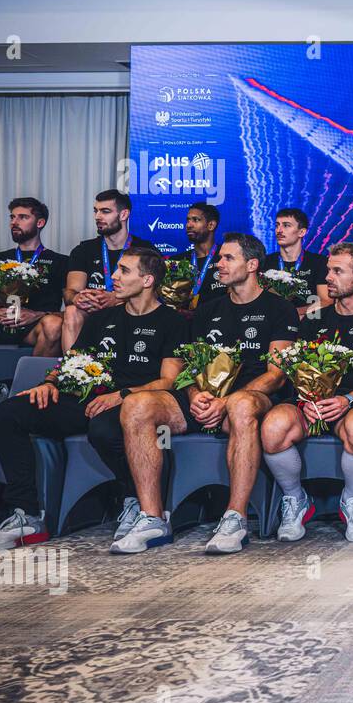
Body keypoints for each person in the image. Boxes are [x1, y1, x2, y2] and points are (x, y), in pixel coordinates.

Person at [0, 247, 187, 550]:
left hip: (133, 403)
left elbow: (168, 381)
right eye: (116, 269)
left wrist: (122, 395)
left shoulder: (173, 321)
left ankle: (135, 500)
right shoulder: (103, 319)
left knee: (103, 428)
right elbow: (74, 359)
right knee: (10, 412)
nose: (113, 276)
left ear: (147, 280)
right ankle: (25, 514)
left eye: (124, 271)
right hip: (88, 397)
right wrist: (49, 383)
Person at [113, 233, 299, 555]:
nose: (218, 264)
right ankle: (153, 517)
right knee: (137, 404)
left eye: (228, 258)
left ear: (252, 265)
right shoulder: (207, 310)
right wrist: (195, 395)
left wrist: (225, 401)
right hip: (203, 401)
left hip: (249, 399)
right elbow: (186, 366)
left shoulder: (279, 309)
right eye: (219, 258)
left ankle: (235, 519)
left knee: (241, 405)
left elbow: (277, 374)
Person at [261, 243, 353, 543]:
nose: (328, 277)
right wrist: (307, 400)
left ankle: (350, 500)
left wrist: (347, 400)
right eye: (328, 270)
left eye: (337, 271)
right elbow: (295, 368)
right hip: (310, 402)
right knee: (273, 427)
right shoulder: (314, 319)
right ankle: (295, 499)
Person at [0, 198, 67, 428]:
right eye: (12, 217)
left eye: (23, 217)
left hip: (32, 326)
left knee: (53, 325)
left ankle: (25, 398)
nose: (14, 222)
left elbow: (70, 311)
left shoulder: (61, 262)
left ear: (40, 222)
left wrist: (36, 314)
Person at [62, 189, 155, 352]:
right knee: (71, 311)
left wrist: (116, 298)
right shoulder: (83, 250)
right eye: (96, 211)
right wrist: (78, 298)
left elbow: (153, 294)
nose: (98, 217)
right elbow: (70, 292)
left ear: (124, 214)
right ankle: (73, 372)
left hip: (129, 313)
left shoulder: (145, 249)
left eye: (105, 211)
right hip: (91, 313)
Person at [262, 207, 330, 317]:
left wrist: (293, 313)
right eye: (277, 225)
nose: (279, 230)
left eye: (286, 225)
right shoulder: (264, 262)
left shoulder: (319, 262)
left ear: (302, 232)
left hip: (308, 323)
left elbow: (326, 301)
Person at [164, 202, 224, 309]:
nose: (189, 225)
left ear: (211, 225)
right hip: (184, 322)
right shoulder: (176, 262)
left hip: (220, 322)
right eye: (188, 220)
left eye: (196, 220)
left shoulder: (225, 257)